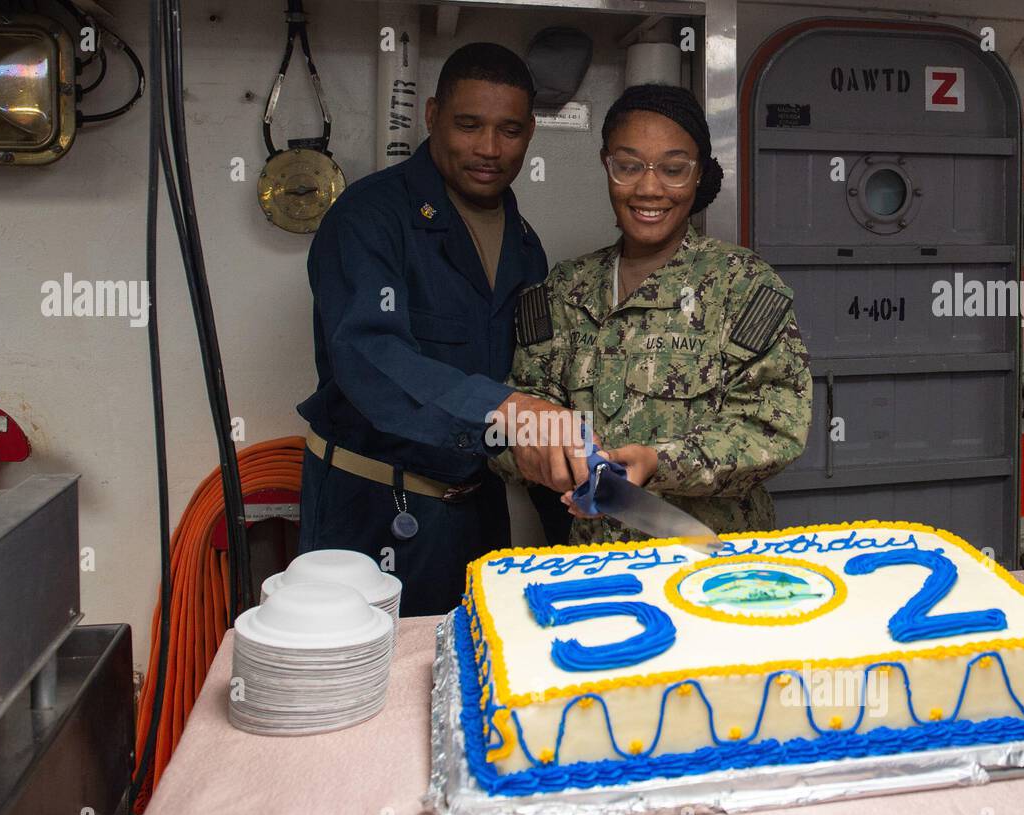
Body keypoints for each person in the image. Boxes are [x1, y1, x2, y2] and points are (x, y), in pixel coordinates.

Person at [296, 43, 579, 616]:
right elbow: (369, 356)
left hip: (479, 510)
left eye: (510, 130)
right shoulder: (369, 217)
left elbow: (536, 374)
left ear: (530, 134)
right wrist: (510, 410)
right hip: (374, 506)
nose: (489, 149)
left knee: (477, 671)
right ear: (431, 116)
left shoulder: (525, 246)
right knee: (372, 687)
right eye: (468, 125)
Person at [492, 84, 813, 544]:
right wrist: (543, 454)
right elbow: (512, 417)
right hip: (595, 567)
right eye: (628, 166)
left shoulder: (741, 285)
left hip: (712, 564)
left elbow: (773, 429)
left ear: (699, 174)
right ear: (607, 165)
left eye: (673, 169)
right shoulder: (562, 293)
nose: (648, 187)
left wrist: (660, 464)